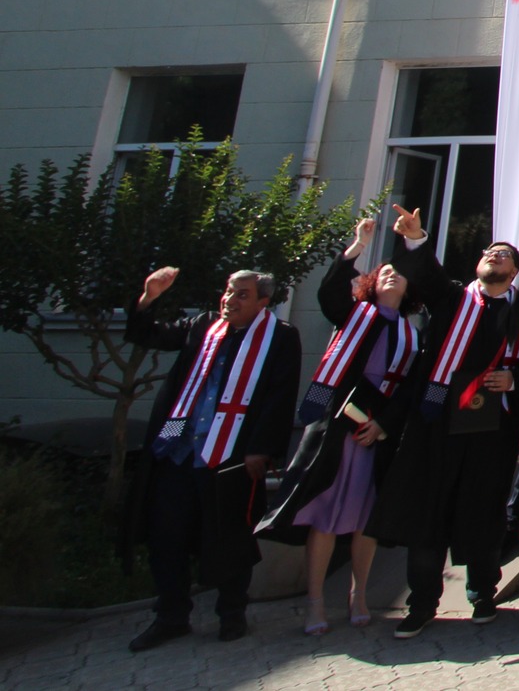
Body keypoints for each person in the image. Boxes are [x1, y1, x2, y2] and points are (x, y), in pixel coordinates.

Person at [369, 206, 519, 636]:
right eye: (489, 251)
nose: (494, 255)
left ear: (515, 270)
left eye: (503, 253)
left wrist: (515, 377)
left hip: (491, 430)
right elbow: (426, 273)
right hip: (437, 422)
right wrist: (414, 238)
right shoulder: (452, 298)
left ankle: (482, 593)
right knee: (429, 512)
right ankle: (422, 601)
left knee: (482, 512)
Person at [124, 264, 302, 652]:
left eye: (242, 294)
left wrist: (261, 449)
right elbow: (146, 333)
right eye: (228, 291)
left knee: (228, 538)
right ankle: (171, 616)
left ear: (263, 302)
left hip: (230, 455)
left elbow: (280, 396)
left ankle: (232, 614)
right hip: (178, 448)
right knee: (165, 536)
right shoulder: (204, 326)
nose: (230, 300)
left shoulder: (280, 337)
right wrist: (149, 297)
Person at [260, 219, 418, 635]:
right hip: (335, 430)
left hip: (374, 436)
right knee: (326, 516)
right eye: (383, 270)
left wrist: (384, 425)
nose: (389, 274)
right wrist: (355, 248)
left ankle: (359, 594)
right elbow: (328, 292)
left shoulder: (411, 334)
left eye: (397, 273)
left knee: (368, 517)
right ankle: (315, 602)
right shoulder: (354, 314)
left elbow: (408, 389)